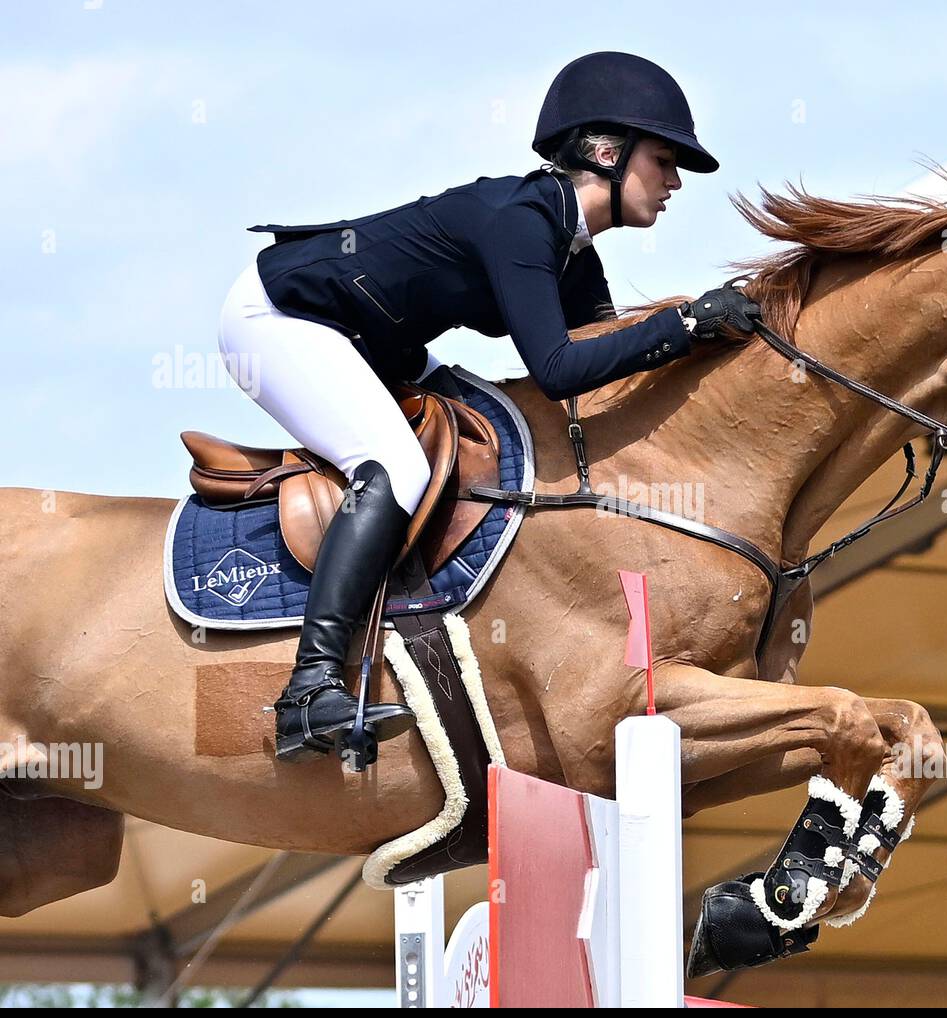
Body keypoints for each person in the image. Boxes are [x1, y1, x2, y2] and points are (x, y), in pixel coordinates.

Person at [216, 51, 762, 763]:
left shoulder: (573, 254)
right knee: (393, 469)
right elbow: (561, 369)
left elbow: (611, 376)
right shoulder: (522, 221)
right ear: (605, 150)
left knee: (487, 435)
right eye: (664, 160)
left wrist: (712, 348)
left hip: (378, 339)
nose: (675, 181)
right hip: (282, 317)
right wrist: (685, 323)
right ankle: (309, 690)